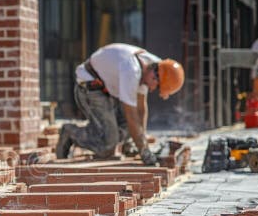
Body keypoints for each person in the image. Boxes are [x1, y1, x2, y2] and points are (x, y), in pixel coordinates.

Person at [56, 43, 184, 164]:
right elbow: (131, 115)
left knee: (130, 128)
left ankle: (127, 144)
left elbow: (141, 109)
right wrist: (144, 151)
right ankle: (70, 132)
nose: (153, 89)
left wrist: (141, 142)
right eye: (157, 87)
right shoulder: (132, 71)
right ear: (154, 77)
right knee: (108, 145)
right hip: (89, 87)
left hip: (108, 90)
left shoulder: (155, 67)